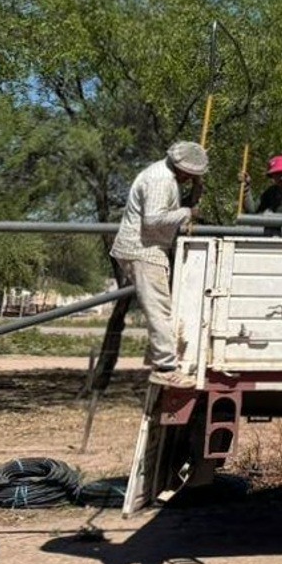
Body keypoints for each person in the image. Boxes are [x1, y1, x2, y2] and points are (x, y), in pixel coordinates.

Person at [111, 140, 208, 387]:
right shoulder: (160, 180)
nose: (191, 178)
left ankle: (160, 358)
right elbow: (153, 220)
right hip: (143, 250)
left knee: (161, 307)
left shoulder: (166, 177)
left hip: (148, 249)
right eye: (191, 174)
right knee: (159, 309)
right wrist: (187, 213)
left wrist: (193, 195)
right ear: (182, 168)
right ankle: (165, 367)